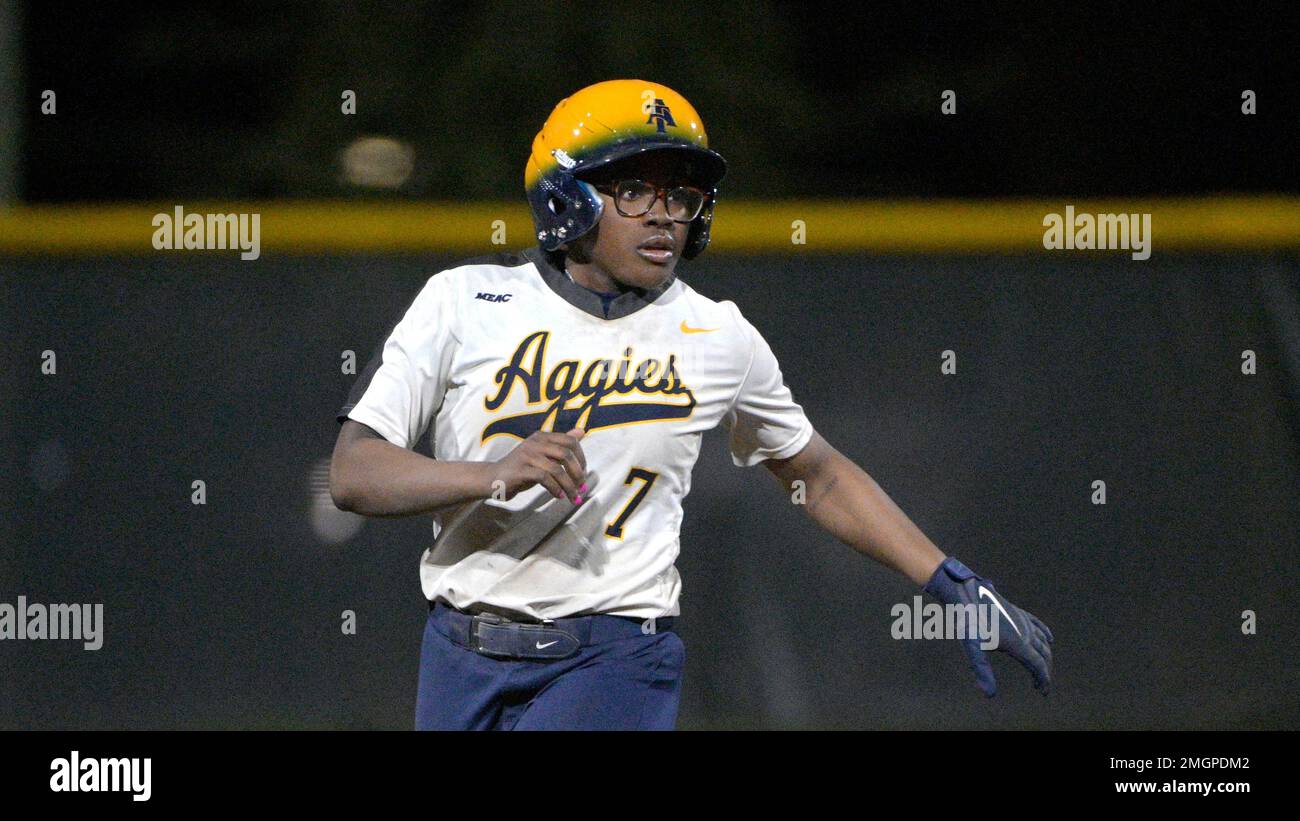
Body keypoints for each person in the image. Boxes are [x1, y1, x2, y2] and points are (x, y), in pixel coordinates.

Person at [329, 79, 1053, 731]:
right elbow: (355, 473)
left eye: (679, 194)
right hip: (459, 651)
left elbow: (819, 473)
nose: (666, 216)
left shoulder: (714, 332)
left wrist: (945, 575)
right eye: (635, 190)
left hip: (613, 658)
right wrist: (489, 474)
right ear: (565, 197)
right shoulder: (463, 302)